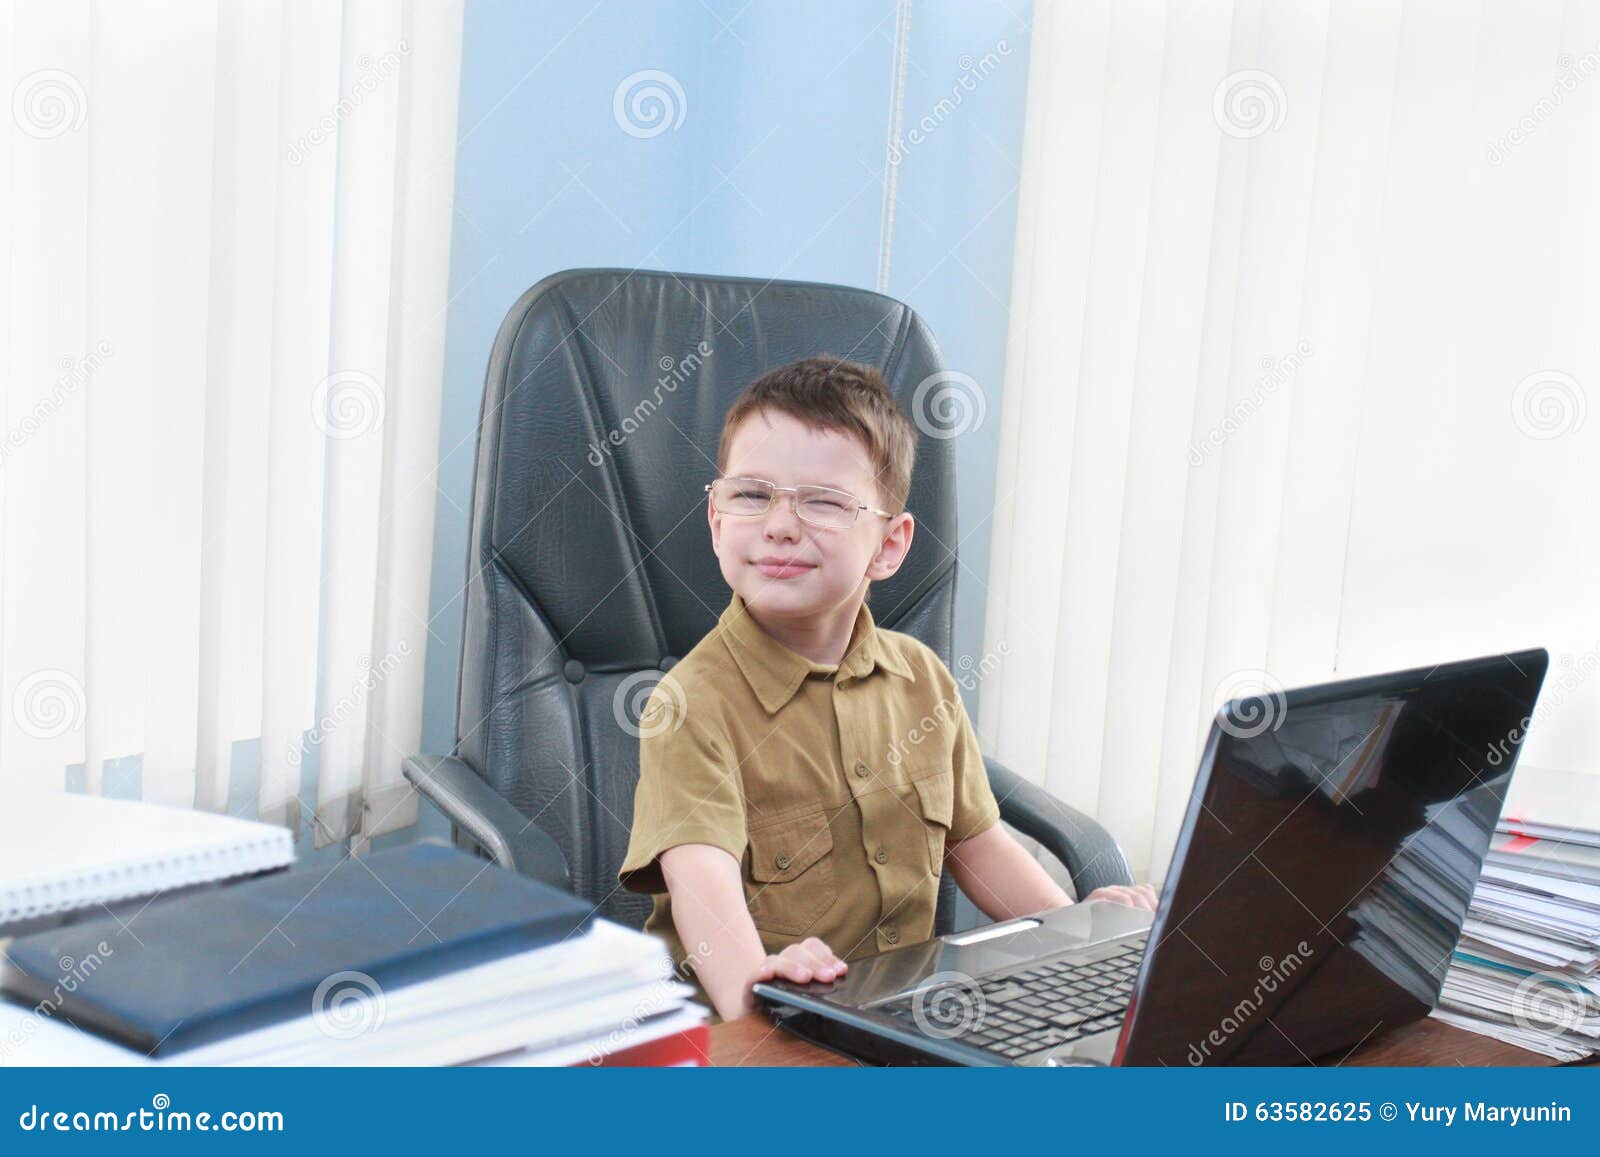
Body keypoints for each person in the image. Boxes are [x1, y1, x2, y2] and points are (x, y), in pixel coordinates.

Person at [617, 356, 1156, 1023]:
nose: (781, 524)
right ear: (716, 517)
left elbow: (979, 849)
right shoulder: (690, 704)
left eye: (823, 501)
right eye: (752, 494)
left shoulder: (922, 681)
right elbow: (704, 897)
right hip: (754, 1039)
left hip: (905, 1024)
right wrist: (759, 981)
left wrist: (1085, 932)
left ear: (889, 546)